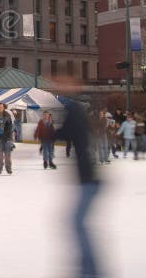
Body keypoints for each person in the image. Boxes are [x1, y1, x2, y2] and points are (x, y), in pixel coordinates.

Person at [55, 100, 100, 278]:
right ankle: (89, 269)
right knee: (77, 223)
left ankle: (90, 271)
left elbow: (67, 132)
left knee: (77, 223)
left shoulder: (75, 111)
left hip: (88, 177)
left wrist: (49, 134)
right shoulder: (77, 112)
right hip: (87, 176)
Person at [0, 103, 14, 175]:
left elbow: (10, 127)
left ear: (4, 107)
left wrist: (5, 135)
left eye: (2, 107)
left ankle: (8, 168)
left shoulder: (7, 115)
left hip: (7, 138)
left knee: (8, 155)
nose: (1, 108)